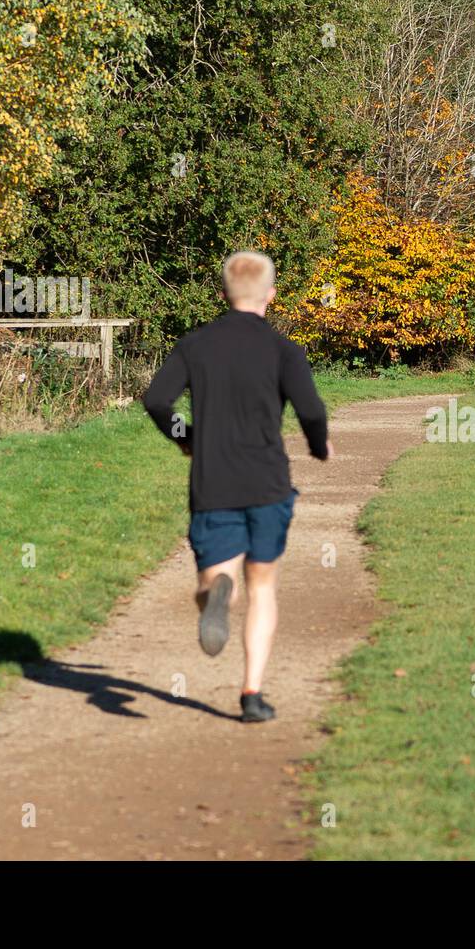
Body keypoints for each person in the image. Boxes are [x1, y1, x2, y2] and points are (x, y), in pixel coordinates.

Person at [143, 251, 331, 722]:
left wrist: (185, 437)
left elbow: (156, 400)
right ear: (270, 294)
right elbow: (311, 410)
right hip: (268, 482)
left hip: (214, 481)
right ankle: (252, 694)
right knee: (263, 584)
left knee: (213, 578)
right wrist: (319, 446)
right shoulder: (284, 351)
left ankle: (215, 592)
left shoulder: (195, 346)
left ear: (224, 293)